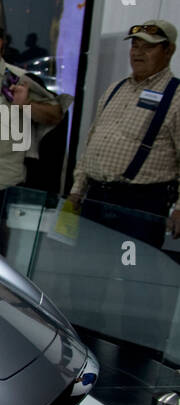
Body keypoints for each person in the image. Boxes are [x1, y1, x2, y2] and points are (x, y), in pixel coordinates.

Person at [69, 19, 180, 248]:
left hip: (140, 207)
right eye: (135, 46)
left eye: (148, 47)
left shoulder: (177, 96)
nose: (138, 53)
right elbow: (91, 143)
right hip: (96, 199)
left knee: (134, 277)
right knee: (87, 271)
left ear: (169, 51)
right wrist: (77, 190)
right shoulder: (115, 89)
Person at [0, 21, 68, 253]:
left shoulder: (18, 79)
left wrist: (26, 104)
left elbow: (55, 114)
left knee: (0, 253)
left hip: (3, 184)